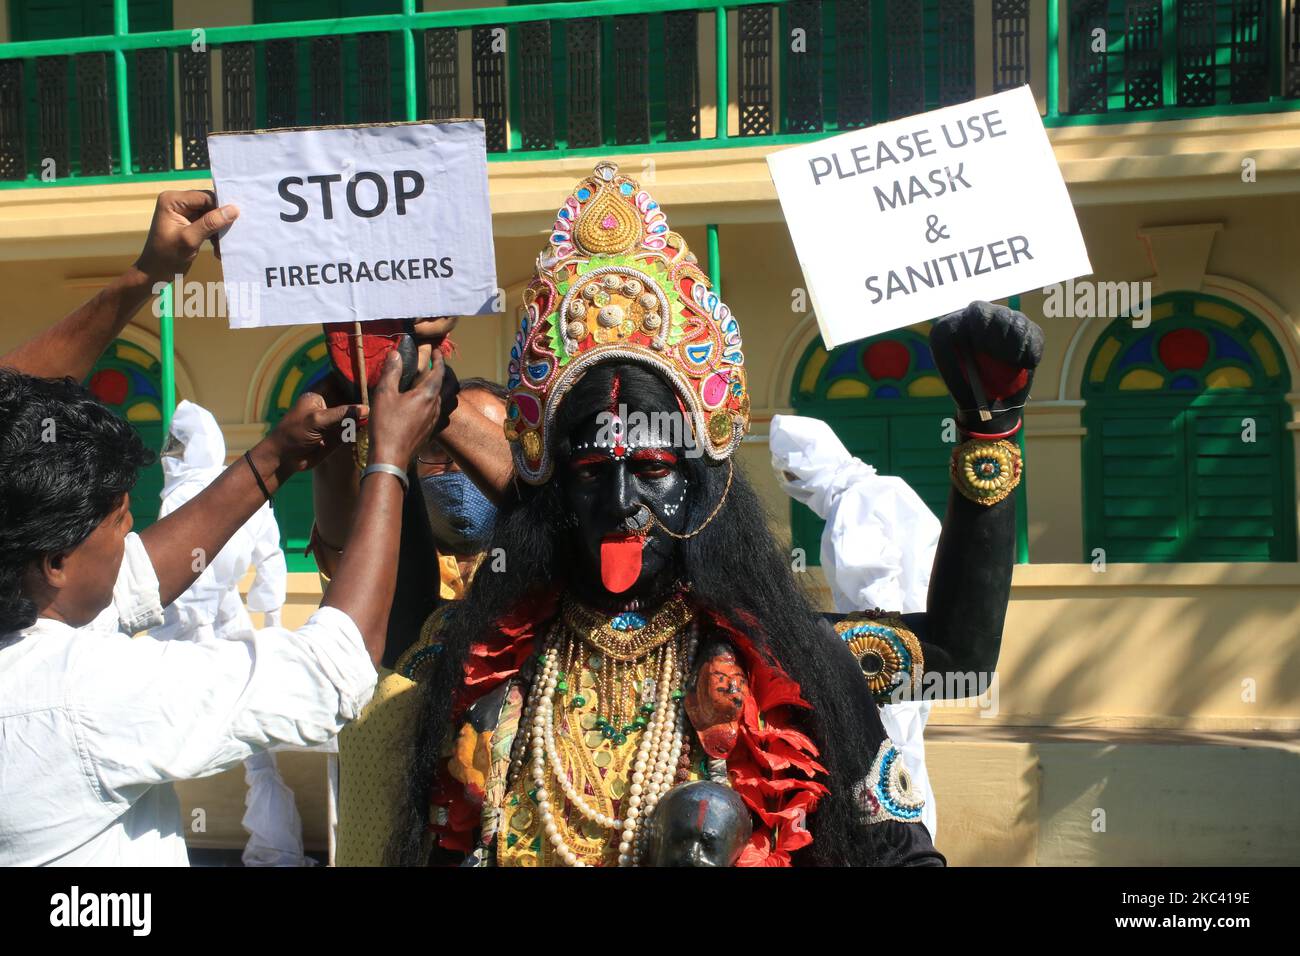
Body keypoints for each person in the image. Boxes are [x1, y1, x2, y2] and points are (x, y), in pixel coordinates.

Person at [386, 160, 1044, 867]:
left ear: (702, 484)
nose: (619, 506)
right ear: (551, 490)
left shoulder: (790, 661)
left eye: (653, 470)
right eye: (587, 474)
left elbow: (955, 659)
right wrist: (386, 434)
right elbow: (392, 633)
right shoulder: (489, 654)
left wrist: (989, 431)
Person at [0, 185, 457, 863]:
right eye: (120, 525)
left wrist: (274, 458)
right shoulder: (85, 697)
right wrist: (387, 462)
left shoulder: (31, 605)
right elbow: (330, 672)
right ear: (55, 563)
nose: (133, 541)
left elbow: (136, 575)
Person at [309, 334, 513, 864]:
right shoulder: (388, 560)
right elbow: (340, 536)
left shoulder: (544, 579)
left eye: (471, 454)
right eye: (435, 453)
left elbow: (536, 498)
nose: (453, 470)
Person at [153, 399, 315, 867]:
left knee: (158, 743)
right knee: (256, 749)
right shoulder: (242, 491)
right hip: (233, 634)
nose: (171, 452)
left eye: (177, 443)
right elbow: (271, 561)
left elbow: (172, 575)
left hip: (183, 635)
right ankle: (276, 848)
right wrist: (271, 629)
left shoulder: (180, 498)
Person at [769, 414, 942, 838]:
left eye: (794, 474)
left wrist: (866, 660)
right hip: (919, 646)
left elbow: (873, 598)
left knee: (889, 764)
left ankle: (905, 850)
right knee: (909, 755)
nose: (794, 485)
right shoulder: (890, 488)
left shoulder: (853, 505)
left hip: (883, 658)